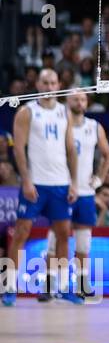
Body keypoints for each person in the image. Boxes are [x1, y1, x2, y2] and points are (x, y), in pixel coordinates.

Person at [4, 69, 76, 305]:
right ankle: (10, 286)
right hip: (36, 184)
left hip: (60, 184)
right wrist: (25, 179)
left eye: (53, 82)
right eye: (45, 82)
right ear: (37, 84)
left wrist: (74, 182)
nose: (49, 86)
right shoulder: (27, 112)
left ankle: (64, 287)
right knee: (21, 233)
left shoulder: (65, 112)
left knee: (64, 234)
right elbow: (18, 149)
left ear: (58, 85)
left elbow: (70, 150)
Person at [63, 91, 109, 298]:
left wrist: (99, 179)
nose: (80, 102)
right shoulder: (59, 124)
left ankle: (82, 284)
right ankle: (54, 285)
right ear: (67, 101)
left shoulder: (94, 126)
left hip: (85, 191)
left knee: (83, 242)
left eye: (83, 99)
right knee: (57, 239)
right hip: (61, 189)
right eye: (75, 99)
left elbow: (107, 155)